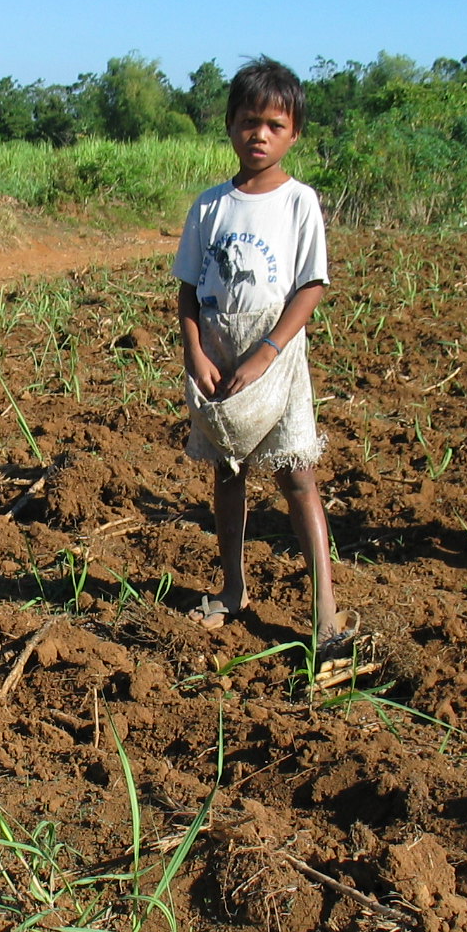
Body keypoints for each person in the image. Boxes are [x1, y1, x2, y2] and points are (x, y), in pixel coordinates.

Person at [174, 56, 352, 654]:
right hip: (220, 356)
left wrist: (269, 351)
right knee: (228, 473)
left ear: (293, 133)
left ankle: (325, 608)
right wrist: (196, 352)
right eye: (250, 122)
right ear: (229, 126)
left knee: (298, 476)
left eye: (275, 125)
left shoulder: (299, 202)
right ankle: (231, 589)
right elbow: (189, 291)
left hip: (276, 358)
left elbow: (311, 285)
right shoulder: (210, 206)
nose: (260, 135)